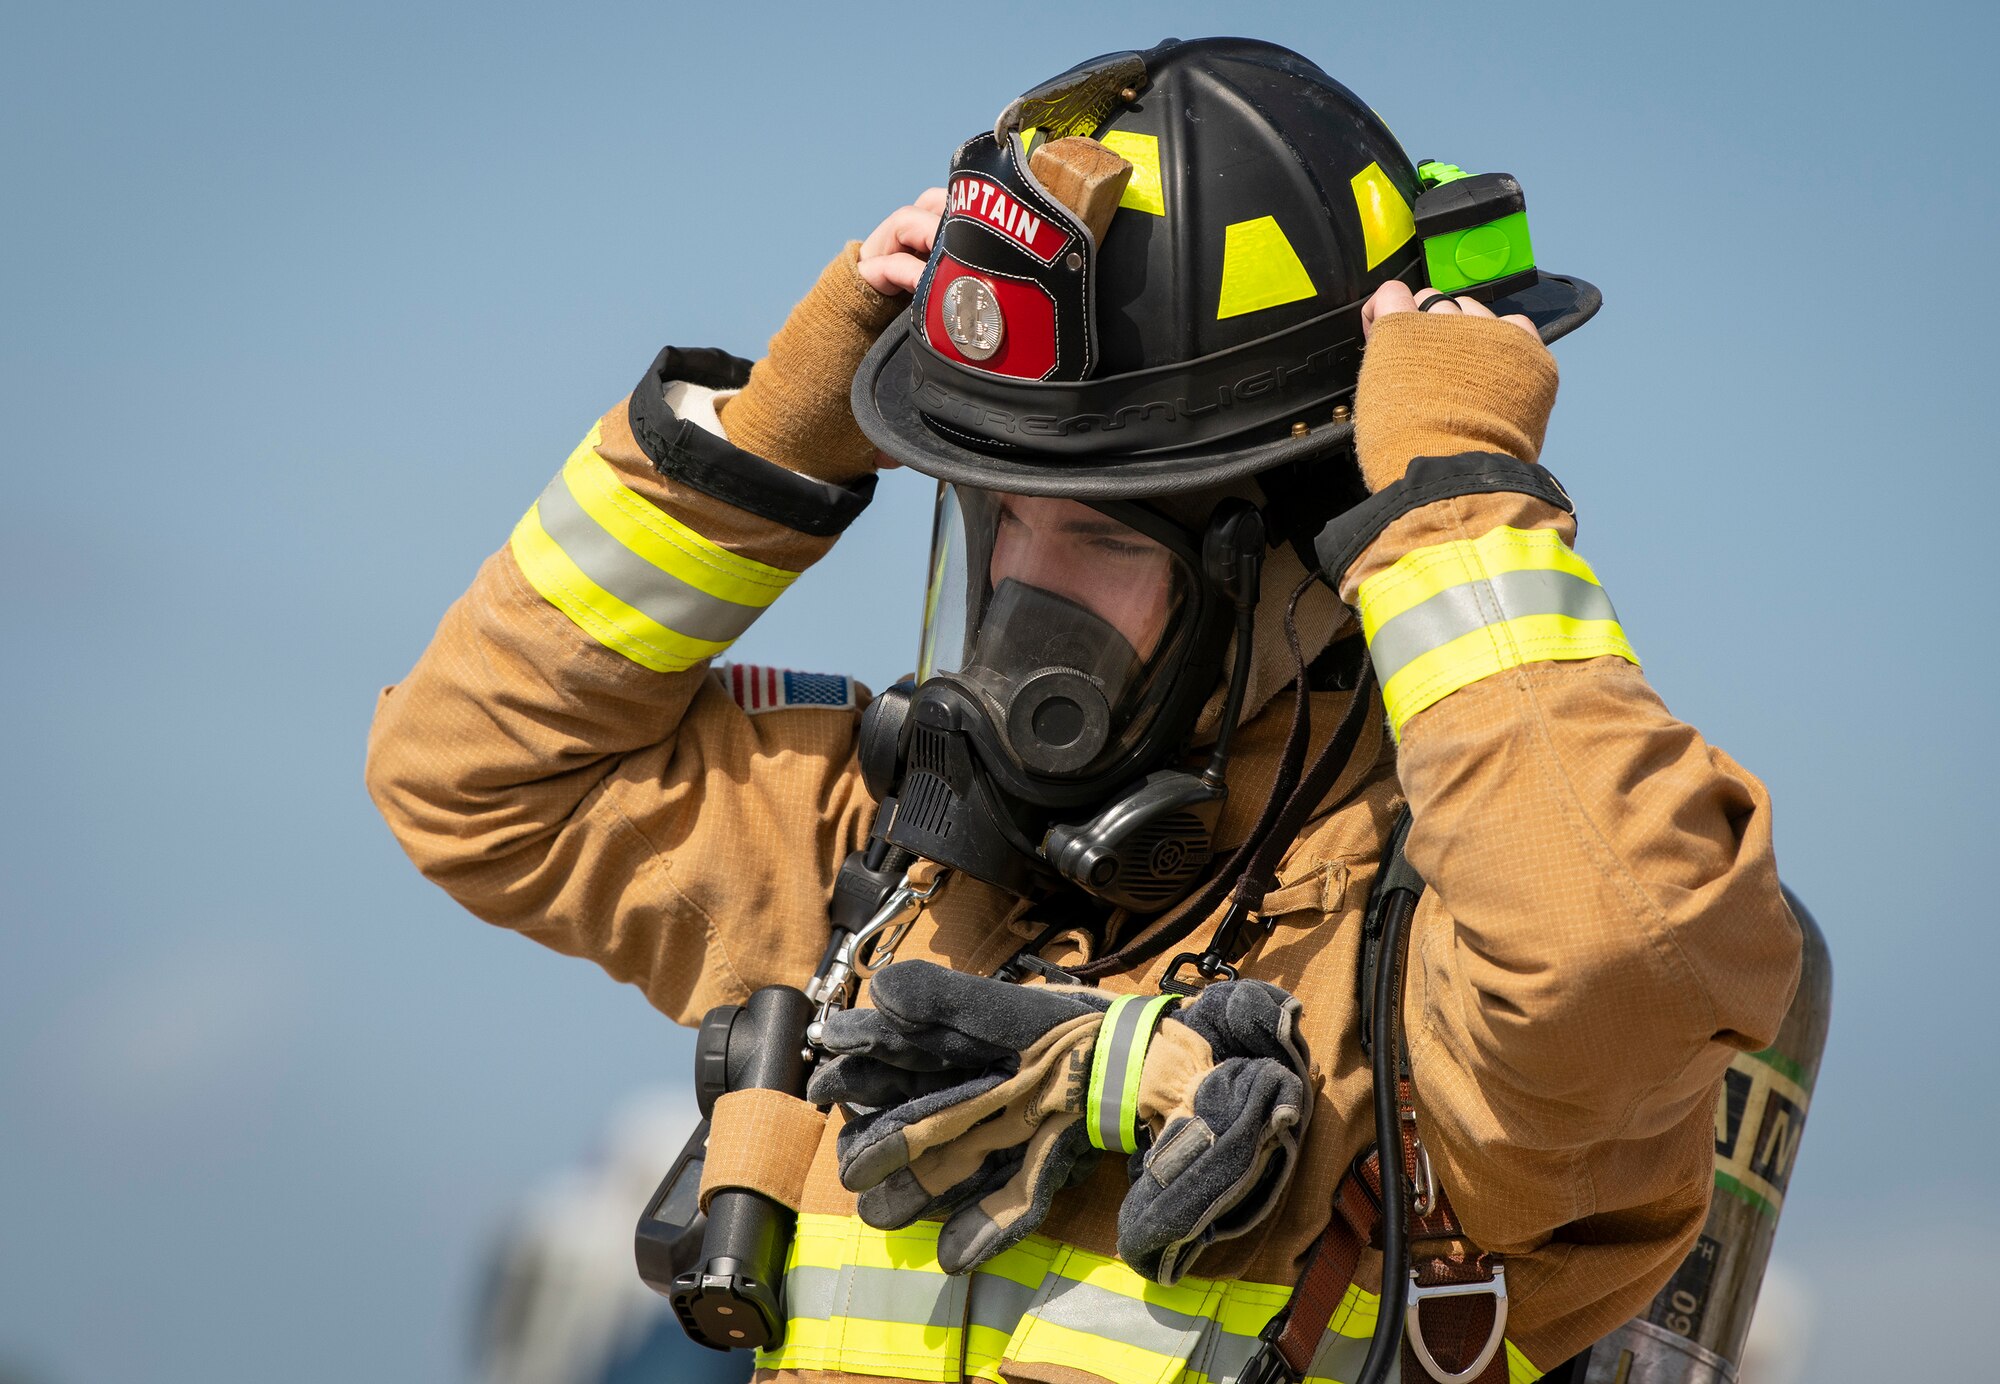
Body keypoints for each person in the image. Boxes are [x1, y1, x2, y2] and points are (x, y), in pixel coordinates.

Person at [367, 37, 1800, 1384]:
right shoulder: (892, 864)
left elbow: (1619, 954)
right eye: (999, 521)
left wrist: (1451, 509)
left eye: (1109, 539)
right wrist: (777, 434)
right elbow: (470, 775)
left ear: (1312, 560)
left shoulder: (1445, 959)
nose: (1018, 595)